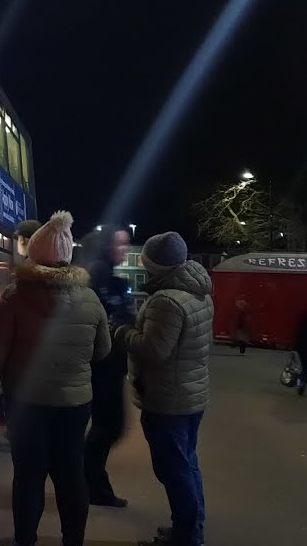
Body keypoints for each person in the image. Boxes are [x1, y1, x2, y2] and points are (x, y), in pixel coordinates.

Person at [0, 211, 111, 546]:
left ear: (34, 253)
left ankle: (25, 540)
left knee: (28, 478)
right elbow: (102, 350)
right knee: (71, 475)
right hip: (75, 404)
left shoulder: (14, 297)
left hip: (26, 404)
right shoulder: (90, 299)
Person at [113, 231, 212, 546]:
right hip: (189, 395)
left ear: (156, 264)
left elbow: (154, 349)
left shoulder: (166, 300)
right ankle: (190, 528)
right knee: (186, 464)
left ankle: (187, 535)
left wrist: (121, 332)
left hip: (168, 399)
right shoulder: (197, 291)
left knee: (174, 470)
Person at [79, 226, 136, 508]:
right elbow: (104, 320)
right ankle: (90, 485)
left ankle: (89, 483)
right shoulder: (98, 276)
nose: (124, 249)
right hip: (103, 364)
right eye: (119, 244)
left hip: (111, 364)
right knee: (110, 426)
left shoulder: (110, 276)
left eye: (127, 244)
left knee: (110, 426)